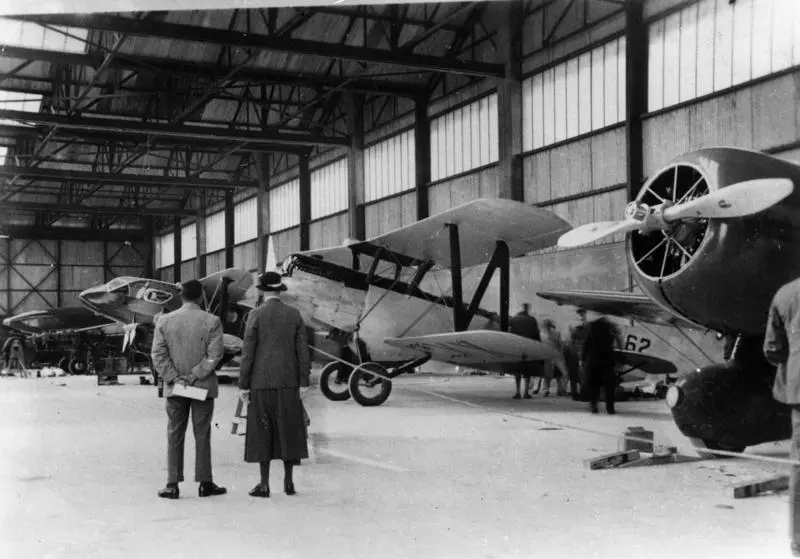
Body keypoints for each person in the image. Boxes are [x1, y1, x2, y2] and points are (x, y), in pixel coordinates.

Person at [151, 279, 226, 500]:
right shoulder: (212, 321)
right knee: (202, 434)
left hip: (175, 388)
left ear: (180, 296)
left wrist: (175, 379)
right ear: (201, 297)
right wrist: (194, 376)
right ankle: (205, 483)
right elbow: (215, 355)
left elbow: (158, 355)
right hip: (201, 387)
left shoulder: (164, 321)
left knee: (174, 433)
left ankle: (172, 485)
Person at [239, 271, 311, 498]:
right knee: (289, 431)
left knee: (262, 433)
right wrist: (304, 382)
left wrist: (244, 384)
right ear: (280, 291)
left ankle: (264, 484)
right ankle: (289, 482)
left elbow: (248, 353)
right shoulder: (294, 315)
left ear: (263, 291)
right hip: (289, 383)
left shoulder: (255, 315)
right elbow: (303, 351)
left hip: (260, 383)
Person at [763, 277, 800, 557]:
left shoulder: (784, 292)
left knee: (799, 467)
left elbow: (772, 350)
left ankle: (797, 542)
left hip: (799, 392)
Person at [582, 316, 623, 414]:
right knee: (609, 387)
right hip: (607, 362)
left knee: (594, 386)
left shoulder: (591, 334)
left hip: (593, 362)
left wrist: (583, 360)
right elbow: (618, 342)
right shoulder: (609, 333)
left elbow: (585, 347)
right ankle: (610, 408)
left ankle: (594, 406)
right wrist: (620, 358)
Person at [509, 303, 543, 399]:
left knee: (517, 370)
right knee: (527, 371)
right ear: (527, 309)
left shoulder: (514, 319)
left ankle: (517, 392)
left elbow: (511, 334)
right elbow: (536, 335)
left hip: (517, 348)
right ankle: (526, 392)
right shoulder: (532, 320)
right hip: (528, 347)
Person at [565, 308, 590, 400]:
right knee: (575, 374)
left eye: (583, 314)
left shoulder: (586, 326)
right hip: (576, 352)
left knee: (582, 374)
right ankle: (576, 393)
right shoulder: (576, 326)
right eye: (581, 314)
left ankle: (581, 393)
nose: (581, 316)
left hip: (580, 352)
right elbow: (570, 340)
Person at [540, 319, 568, 397]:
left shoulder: (553, 333)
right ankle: (547, 390)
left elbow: (560, 345)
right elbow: (561, 344)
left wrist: (561, 354)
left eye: (547, 325)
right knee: (548, 374)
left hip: (555, 355)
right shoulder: (542, 333)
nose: (547, 327)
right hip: (549, 356)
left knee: (564, 373)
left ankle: (561, 389)